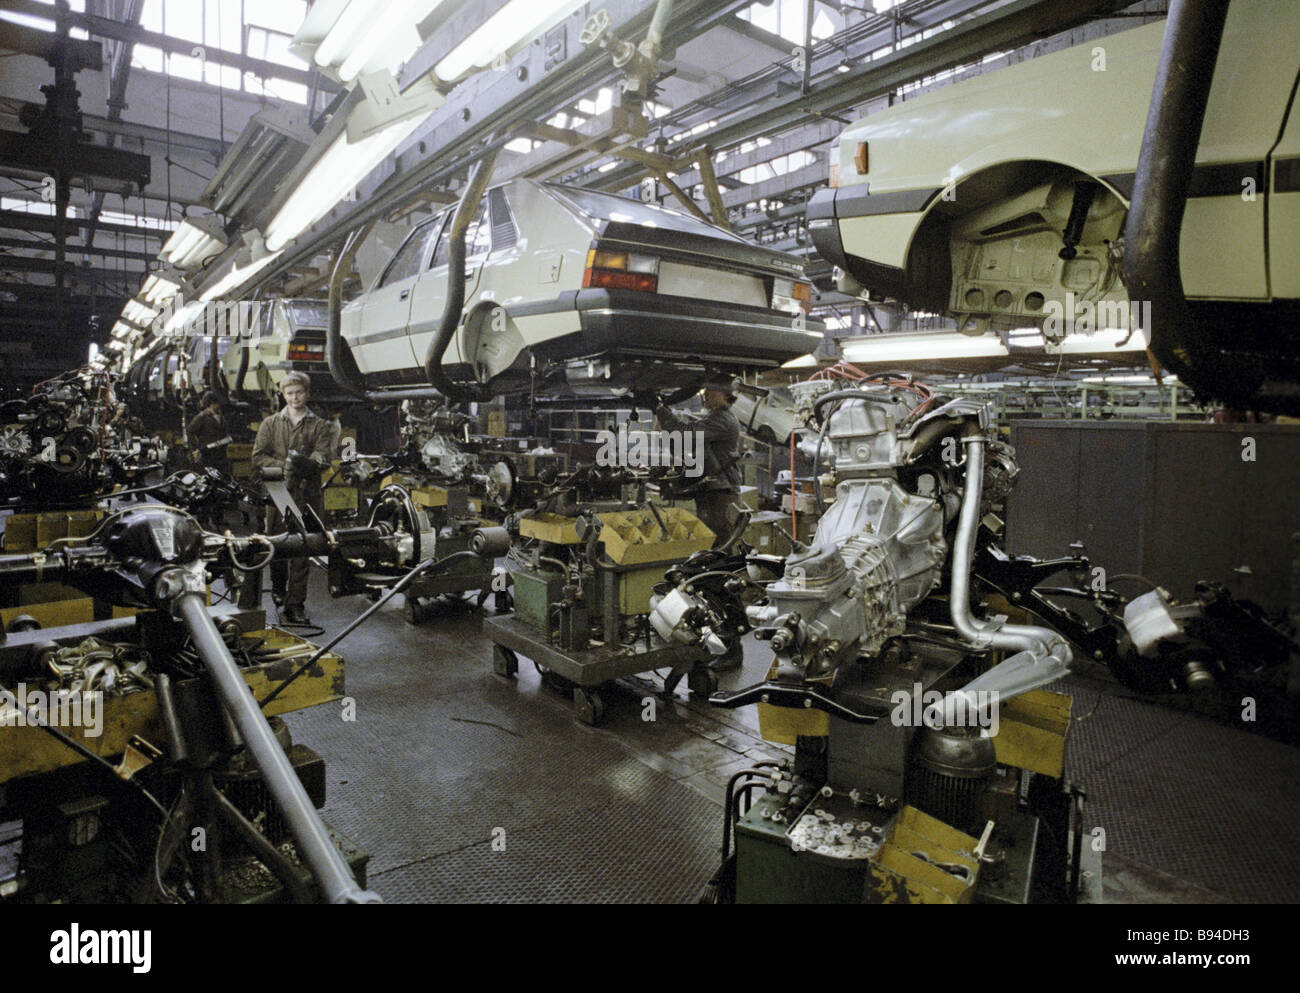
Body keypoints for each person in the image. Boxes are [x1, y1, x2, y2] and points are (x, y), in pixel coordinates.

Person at [252, 372, 333, 625]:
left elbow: (324, 458)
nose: (295, 397)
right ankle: (278, 588)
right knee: (277, 544)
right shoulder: (270, 424)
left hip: (307, 495)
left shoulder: (320, 425)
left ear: (307, 393)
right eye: (290, 393)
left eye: (299, 392)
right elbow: (258, 457)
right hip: (278, 494)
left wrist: (306, 463)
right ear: (283, 395)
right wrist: (284, 464)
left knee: (303, 548)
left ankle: (296, 603)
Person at [655, 378, 743, 548]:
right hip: (712, 492)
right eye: (705, 391)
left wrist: (660, 409)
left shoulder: (723, 419)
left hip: (721, 495)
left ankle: (719, 574)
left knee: (717, 546)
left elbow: (685, 434)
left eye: (711, 390)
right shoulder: (714, 417)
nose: (705, 394)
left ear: (726, 394)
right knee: (710, 544)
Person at [187, 391, 232, 475]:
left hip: (220, 454)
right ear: (212, 403)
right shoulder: (202, 416)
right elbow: (190, 431)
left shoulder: (220, 416)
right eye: (217, 403)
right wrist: (196, 447)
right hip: (208, 454)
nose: (219, 405)